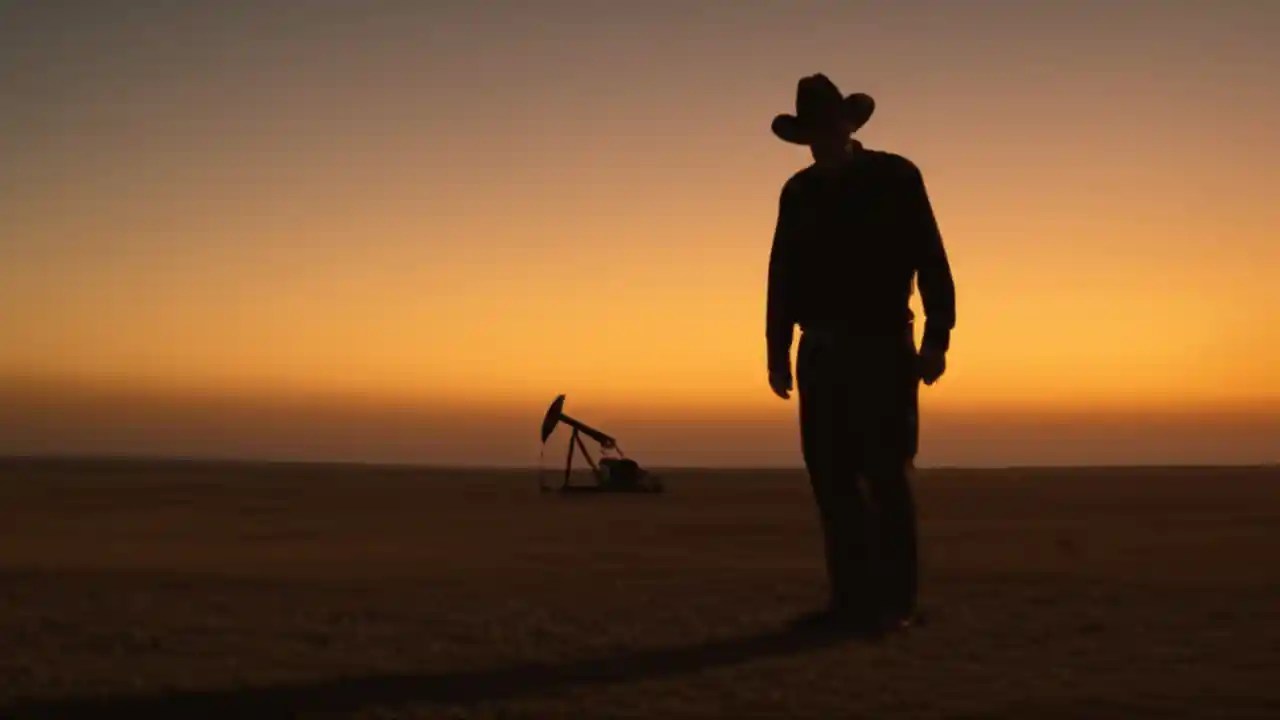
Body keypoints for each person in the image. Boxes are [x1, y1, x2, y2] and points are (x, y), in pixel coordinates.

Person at [765, 74, 955, 633]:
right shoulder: (798, 193)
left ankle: (895, 604)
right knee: (831, 480)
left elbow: (931, 259)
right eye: (813, 132)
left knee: (886, 476)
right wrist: (778, 351)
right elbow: (782, 276)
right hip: (821, 353)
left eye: (828, 126)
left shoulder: (896, 177)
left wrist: (936, 338)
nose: (822, 139)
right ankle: (850, 601)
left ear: (848, 124)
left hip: (882, 348)